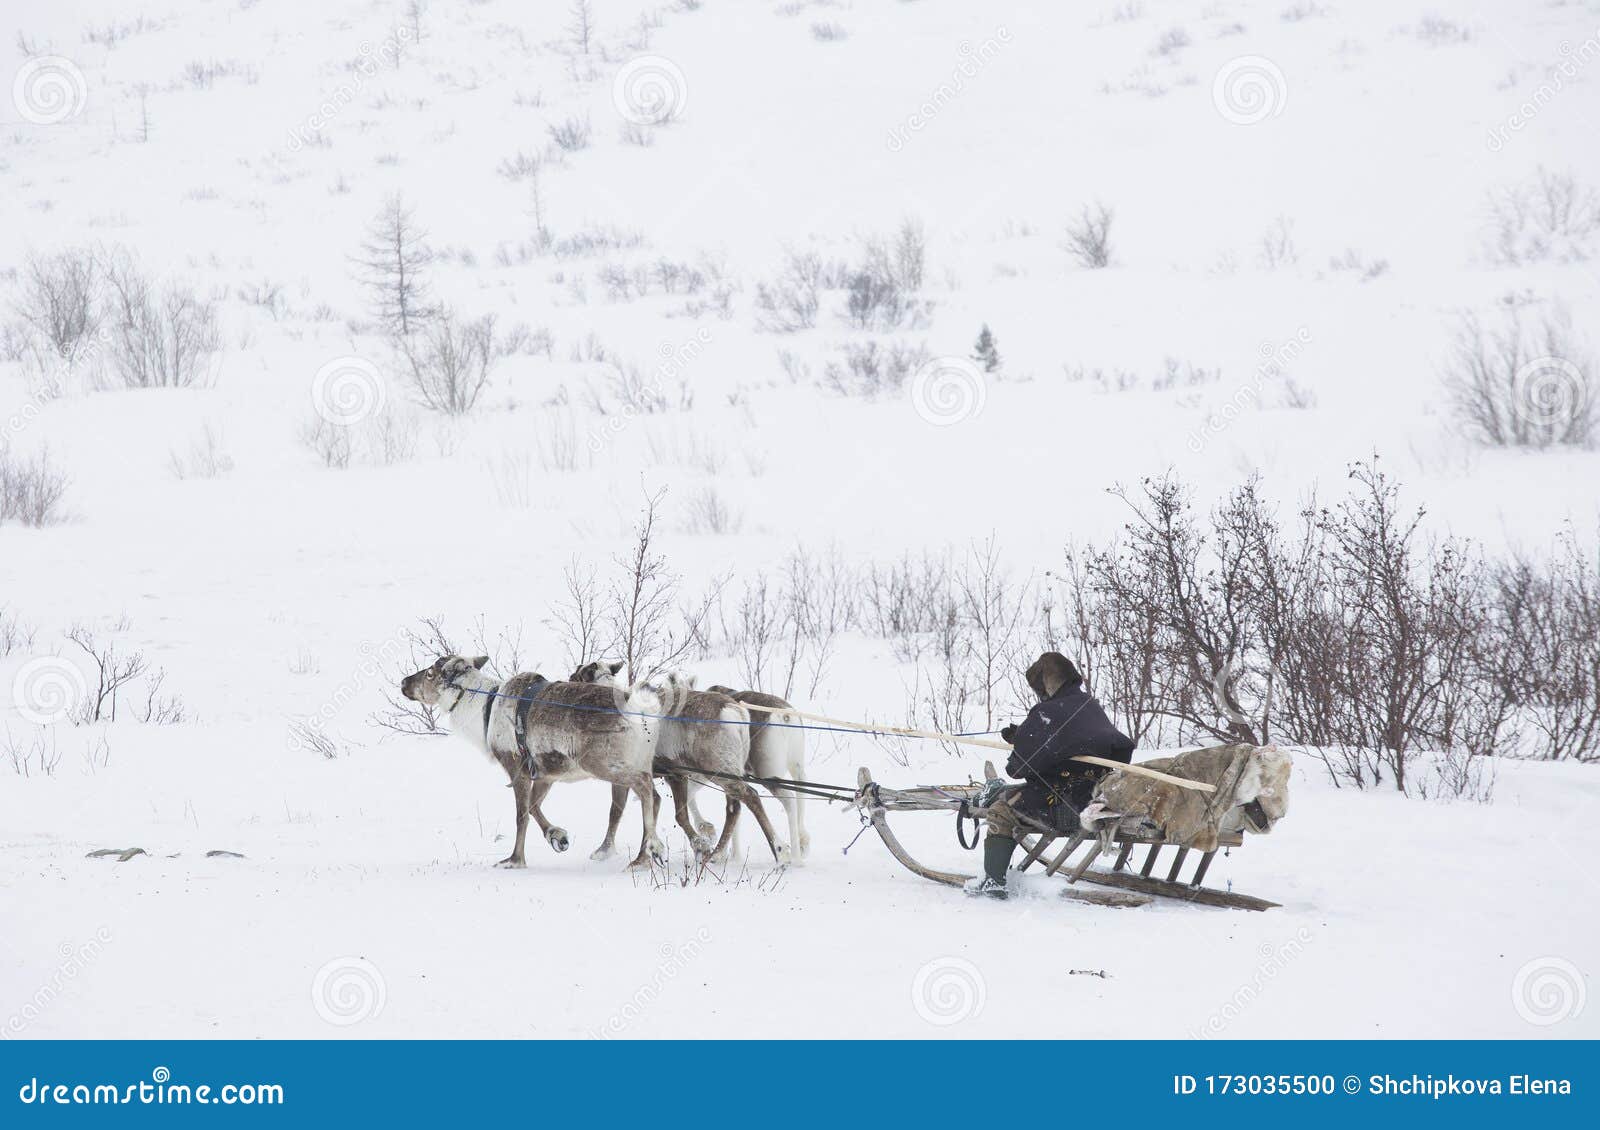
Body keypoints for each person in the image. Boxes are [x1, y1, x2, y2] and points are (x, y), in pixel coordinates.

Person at [965, 652, 1135, 900]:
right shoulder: (1090, 705)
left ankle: (993, 883)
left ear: (1046, 685)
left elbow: (1017, 769)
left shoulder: (1046, 712)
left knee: (1001, 810)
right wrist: (1023, 737)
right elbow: (1115, 747)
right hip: (1092, 800)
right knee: (1015, 793)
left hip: (1063, 808)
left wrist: (1024, 746)